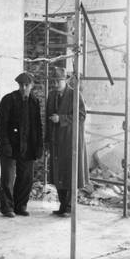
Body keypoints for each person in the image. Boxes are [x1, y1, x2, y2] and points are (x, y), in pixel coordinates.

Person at [0, 72, 42, 217]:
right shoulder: (8, 99)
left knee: (26, 178)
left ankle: (20, 206)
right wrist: (5, 143)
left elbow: (38, 126)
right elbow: (0, 124)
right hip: (9, 146)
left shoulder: (34, 102)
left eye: (26, 85)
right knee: (8, 178)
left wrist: (38, 146)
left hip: (27, 146)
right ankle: (7, 208)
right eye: (21, 85)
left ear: (32, 86)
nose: (23, 87)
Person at [46, 67, 90, 216]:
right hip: (56, 142)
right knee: (58, 174)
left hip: (71, 141)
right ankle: (62, 206)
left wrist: (62, 118)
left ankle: (70, 207)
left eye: (59, 81)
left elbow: (82, 116)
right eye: (54, 81)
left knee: (71, 174)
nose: (56, 83)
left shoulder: (75, 95)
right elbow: (47, 120)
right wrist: (47, 141)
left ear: (65, 80)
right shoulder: (51, 96)